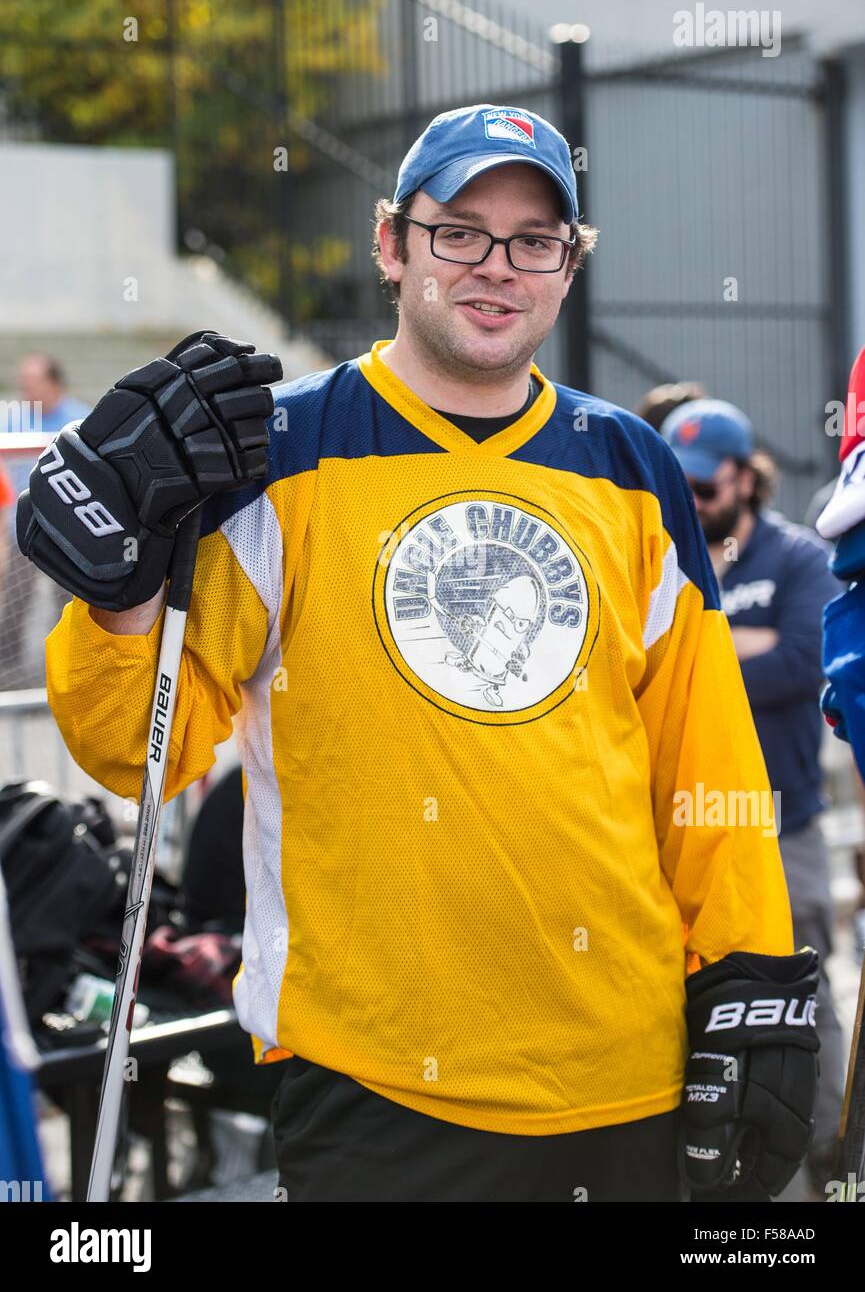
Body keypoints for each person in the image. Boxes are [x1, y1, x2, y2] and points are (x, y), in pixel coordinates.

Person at [22, 103, 816, 1204]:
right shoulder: (272, 453)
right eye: (460, 231)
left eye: (534, 240)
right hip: (373, 1086)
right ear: (393, 244)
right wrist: (117, 593)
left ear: (567, 266)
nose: (497, 267)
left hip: (626, 1070)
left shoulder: (629, 465)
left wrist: (751, 973)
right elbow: (131, 751)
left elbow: (707, 761)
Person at [661, 397, 847, 1196]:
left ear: (745, 476)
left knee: (798, 996)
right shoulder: (662, 551)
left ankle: (832, 1161)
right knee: (694, 996)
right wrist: (742, 644)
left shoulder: (797, 558)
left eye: (705, 485)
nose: (693, 498)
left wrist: (699, 652)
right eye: (683, 483)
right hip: (675, 829)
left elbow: (805, 666)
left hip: (779, 821)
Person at [0, 353, 88, 685]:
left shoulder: (80, 420)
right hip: (22, 528)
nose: (25, 389)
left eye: (32, 382)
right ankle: (8, 673)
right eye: (22, 382)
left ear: (53, 383)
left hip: (67, 531)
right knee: (14, 602)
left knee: (67, 601)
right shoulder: (14, 420)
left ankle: (66, 670)